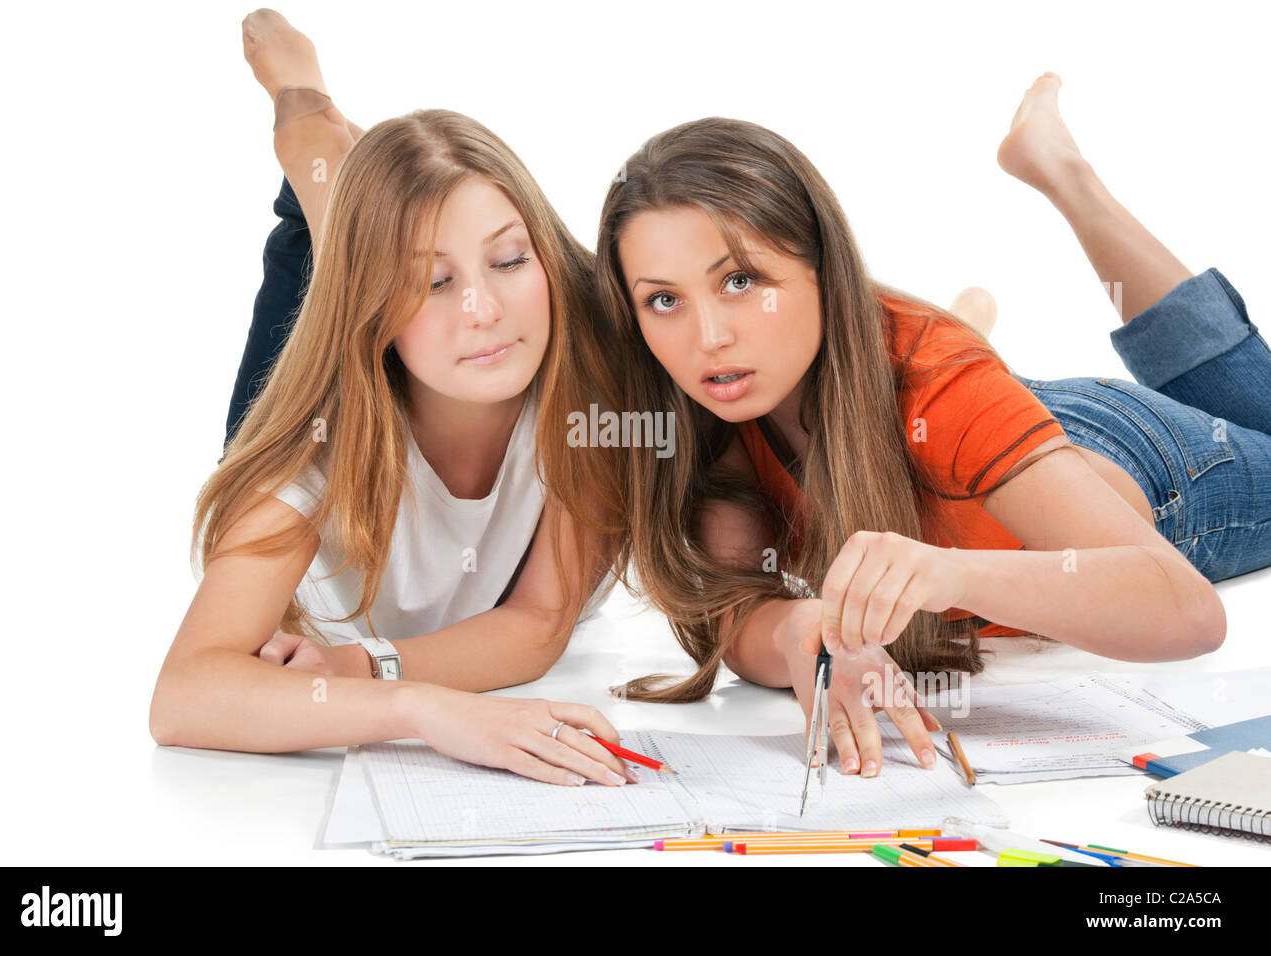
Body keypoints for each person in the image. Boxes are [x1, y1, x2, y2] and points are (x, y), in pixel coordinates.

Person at [592, 73, 1269, 778]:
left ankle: (1067, 177)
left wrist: (947, 571)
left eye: (739, 282)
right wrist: (802, 630)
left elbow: (1190, 613)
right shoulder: (705, 409)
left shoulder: (932, 381)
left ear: (826, 271)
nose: (707, 338)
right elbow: (736, 617)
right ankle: (983, 298)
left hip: (1151, 474)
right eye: (664, 299)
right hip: (985, 424)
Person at [150, 11, 637, 789]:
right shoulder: (314, 445)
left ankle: (364, 201)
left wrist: (354, 667)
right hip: (345, 379)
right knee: (325, 249)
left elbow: (541, 621)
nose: (485, 309)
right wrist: (424, 711)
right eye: (434, 282)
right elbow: (182, 698)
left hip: (416, 334)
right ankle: (309, 119)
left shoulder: (592, 378)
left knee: (384, 232)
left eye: (510, 259)